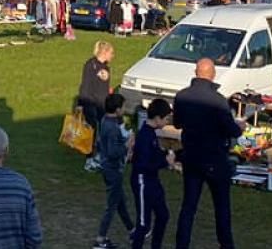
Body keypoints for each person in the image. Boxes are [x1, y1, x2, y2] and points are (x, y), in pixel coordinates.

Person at [173, 58, 242, 249]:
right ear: (212, 75)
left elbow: (177, 123)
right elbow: (231, 130)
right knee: (221, 206)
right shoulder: (218, 101)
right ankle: (226, 244)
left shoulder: (182, 96)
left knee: (189, 205)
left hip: (191, 156)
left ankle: (182, 244)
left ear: (196, 73)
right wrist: (239, 127)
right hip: (215, 158)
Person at [130, 98, 174, 249]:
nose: (168, 121)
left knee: (163, 215)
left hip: (152, 181)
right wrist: (165, 162)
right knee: (143, 223)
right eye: (166, 118)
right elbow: (144, 164)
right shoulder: (144, 137)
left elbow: (155, 154)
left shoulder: (151, 134)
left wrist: (166, 156)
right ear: (157, 118)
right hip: (142, 181)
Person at [93, 93, 133, 249]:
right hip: (113, 170)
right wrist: (127, 145)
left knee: (120, 201)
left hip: (108, 168)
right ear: (117, 109)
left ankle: (132, 229)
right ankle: (100, 238)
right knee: (112, 205)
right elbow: (113, 152)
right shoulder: (112, 128)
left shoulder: (105, 121)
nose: (124, 109)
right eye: (123, 107)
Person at [78, 41, 115, 172]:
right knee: (90, 132)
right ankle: (89, 160)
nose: (113, 56)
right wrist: (82, 104)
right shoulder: (90, 65)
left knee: (102, 132)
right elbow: (85, 86)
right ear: (104, 52)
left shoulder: (106, 67)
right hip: (91, 103)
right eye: (111, 53)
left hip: (102, 105)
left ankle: (99, 156)